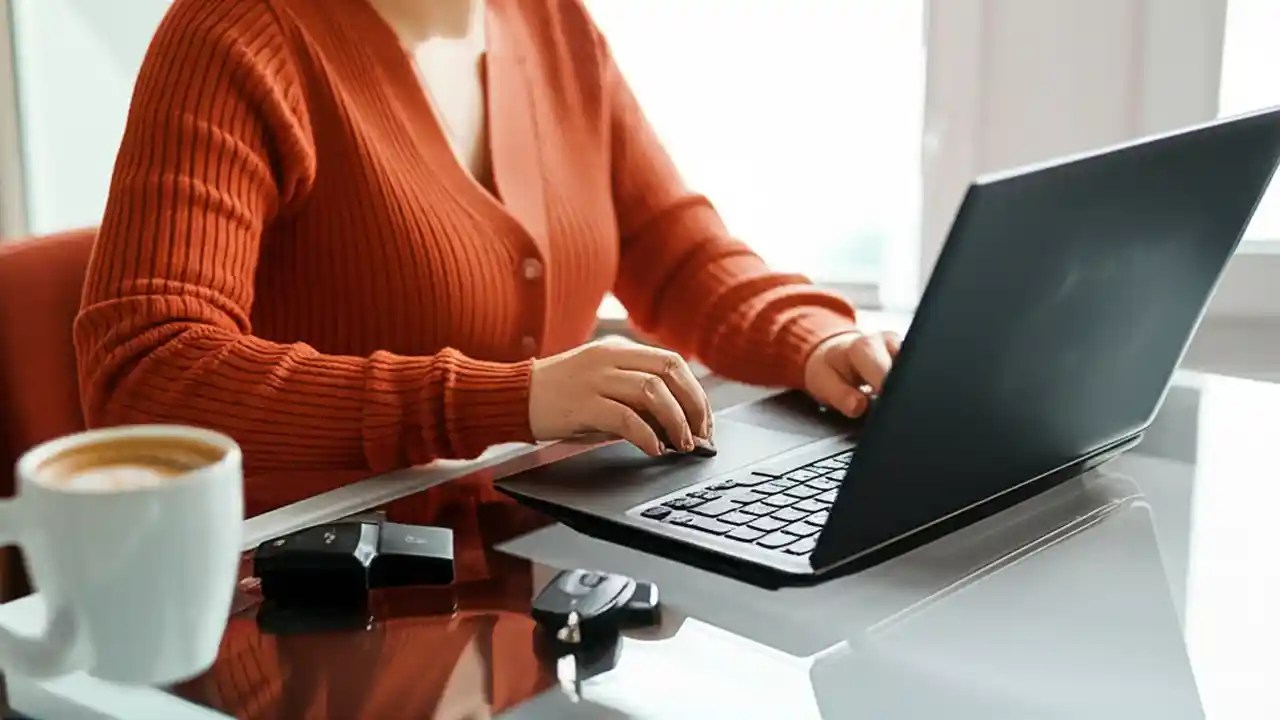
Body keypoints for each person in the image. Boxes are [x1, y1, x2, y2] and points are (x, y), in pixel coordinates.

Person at [74, 0, 900, 514]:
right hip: (306, 595)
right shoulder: (234, 33)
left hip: (533, 568)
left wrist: (814, 339)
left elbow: (675, 255)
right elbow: (147, 374)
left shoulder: (553, 23)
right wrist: (510, 398)